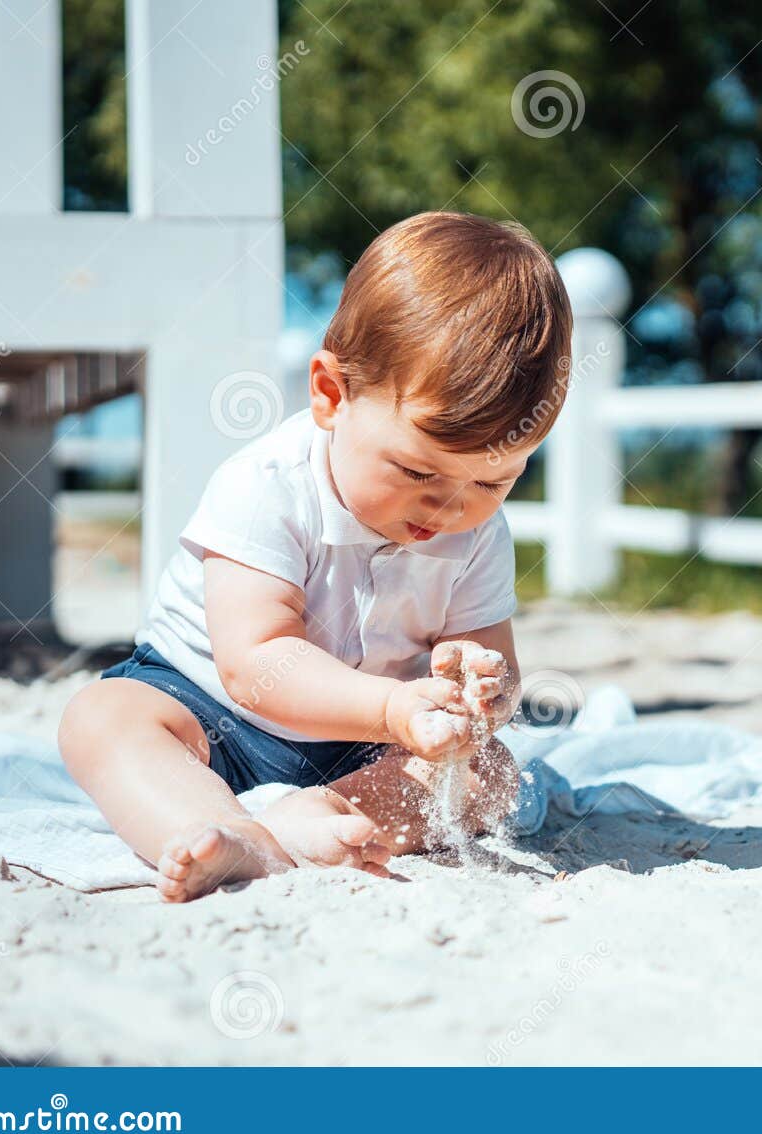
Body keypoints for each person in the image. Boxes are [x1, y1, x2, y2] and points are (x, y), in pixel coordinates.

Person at [58, 212, 572, 901]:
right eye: (417, 472)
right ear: (332, 395)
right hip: (211, 712)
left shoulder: (478, 532)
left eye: (491, 481)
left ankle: (322, 818)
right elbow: (256, 664)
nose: (449, 508)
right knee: (101, 717)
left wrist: (483, 688)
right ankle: (222, 830)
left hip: (364, 748)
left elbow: (491, 657)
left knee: (491, 772)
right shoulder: (266, 486)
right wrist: (391, 706)